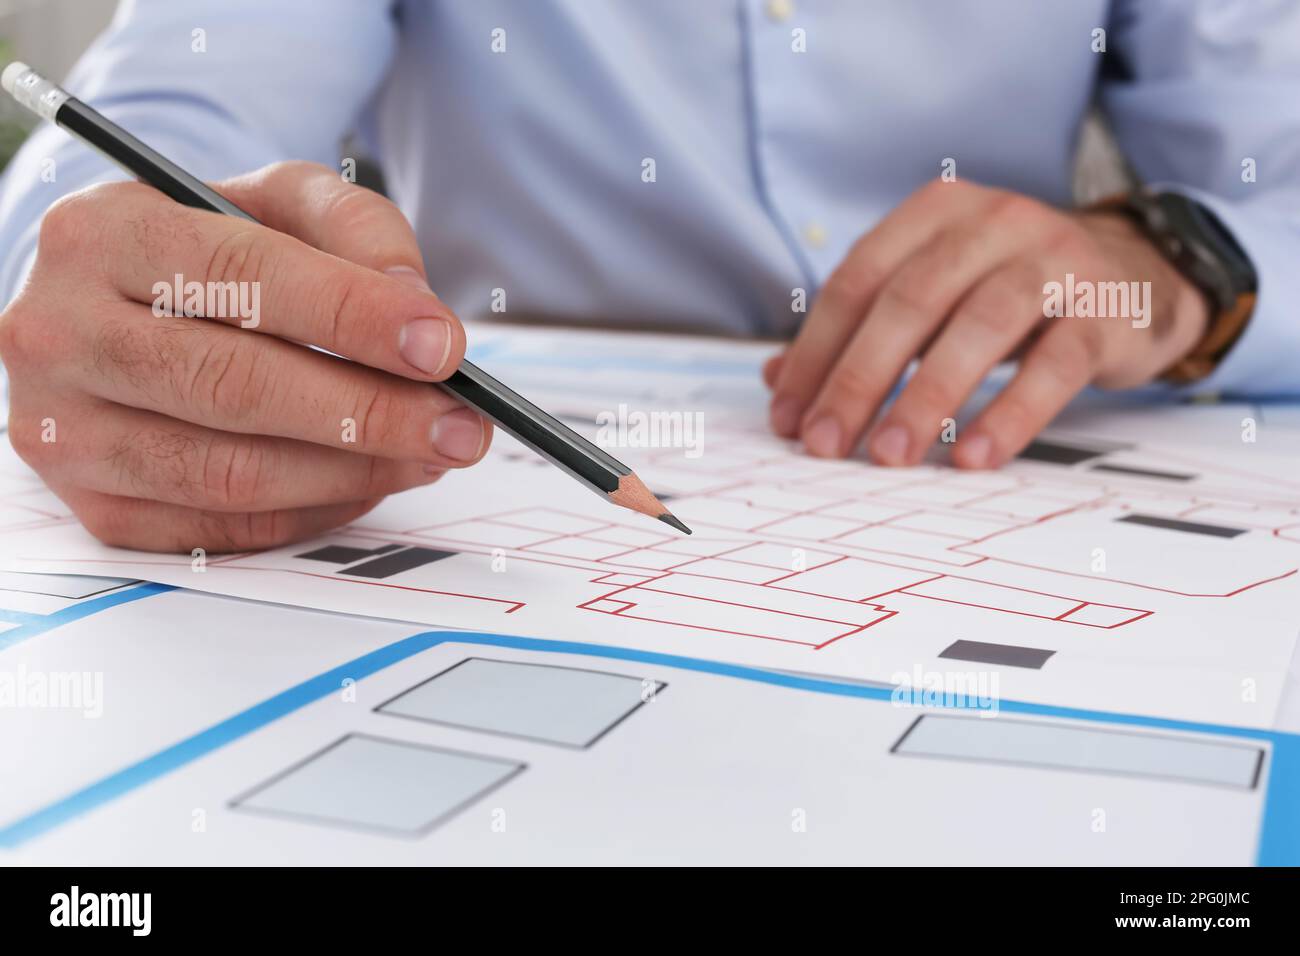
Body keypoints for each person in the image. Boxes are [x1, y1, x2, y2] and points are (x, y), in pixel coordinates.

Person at [0, 0, 1295, 552]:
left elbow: (1278, 176)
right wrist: (117, 293)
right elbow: (151, 137)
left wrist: (1181, 263)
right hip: (496, 461)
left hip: (1014, 439)